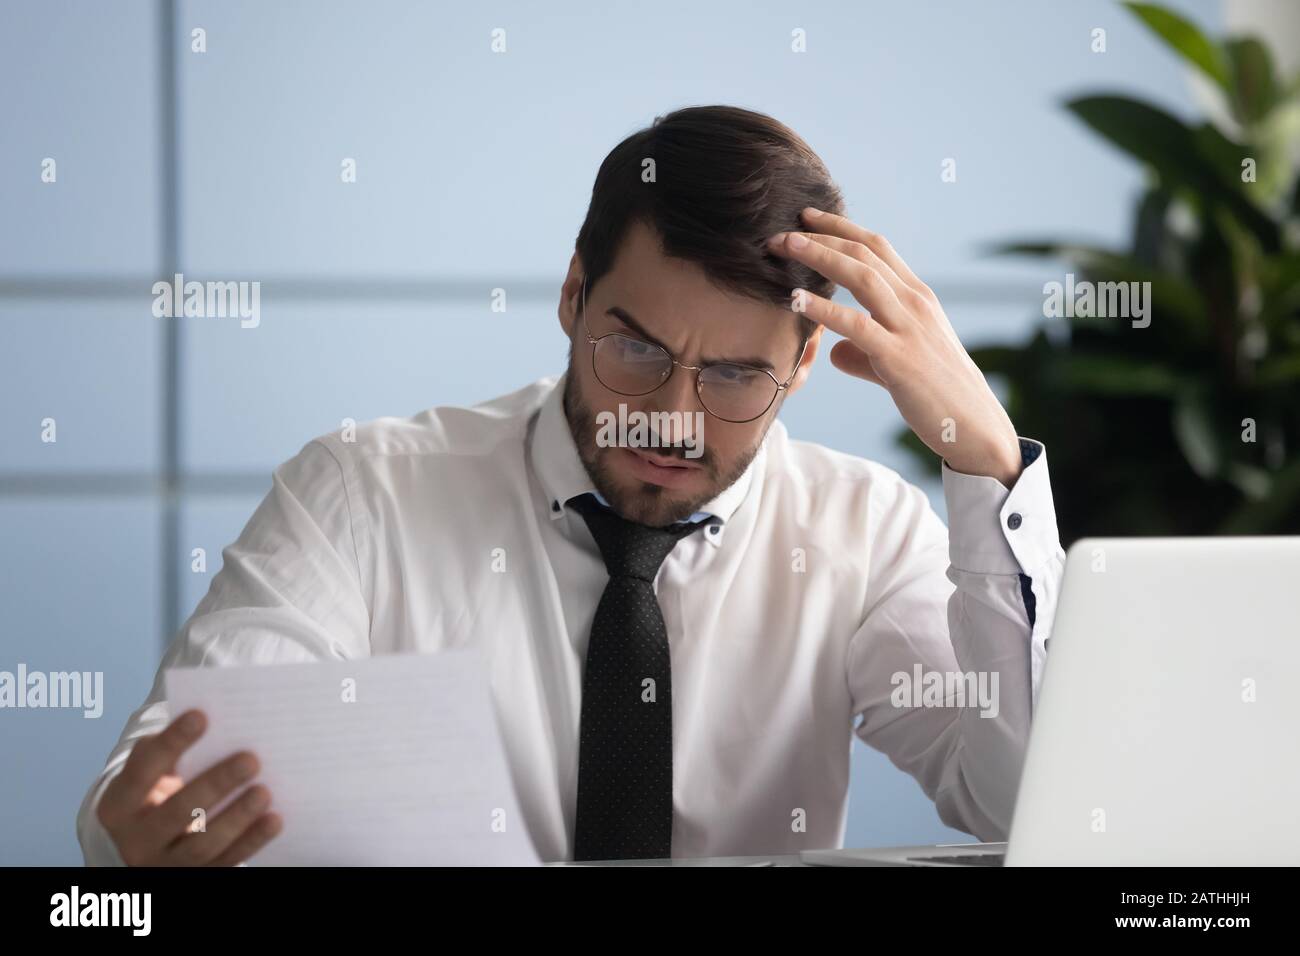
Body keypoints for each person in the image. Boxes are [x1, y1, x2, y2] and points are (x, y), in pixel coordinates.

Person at [77, 104, 1063, 866]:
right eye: (635, 347)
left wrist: (986, 462)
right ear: (570, 294)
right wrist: (133, 837)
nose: (673, 417)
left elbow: (1020, 798)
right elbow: (161, 780)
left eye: (732, 375)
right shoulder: (364, 493)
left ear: (803, 364)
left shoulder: (862, 530)